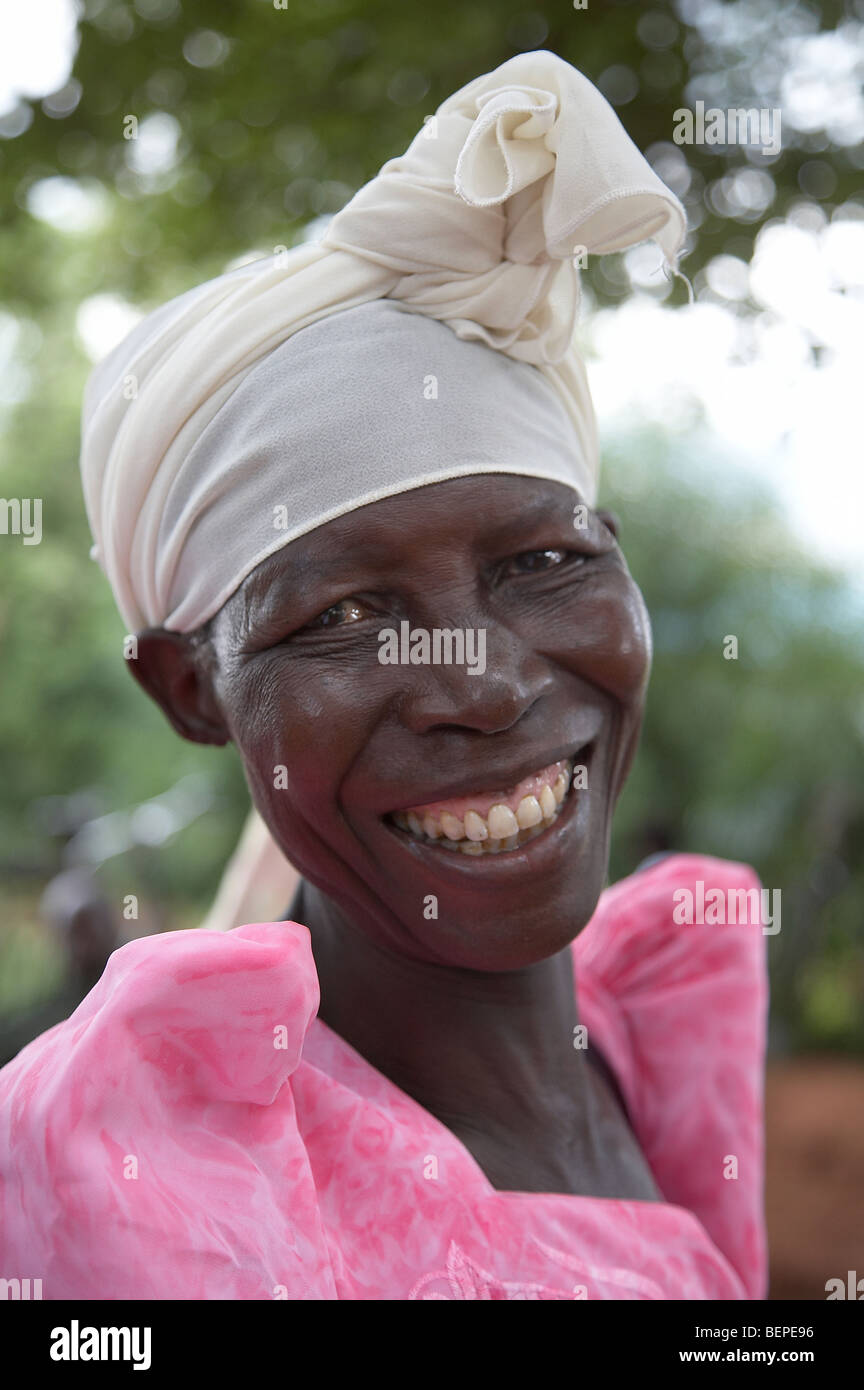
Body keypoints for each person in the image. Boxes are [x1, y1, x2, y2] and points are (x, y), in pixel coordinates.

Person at [0, 51, 767, 1300]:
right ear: (189, 689)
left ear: (616, 557)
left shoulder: (656, 1036)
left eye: (541, 561)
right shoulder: (142, 1186)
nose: (487, 684)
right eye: (345, 612)